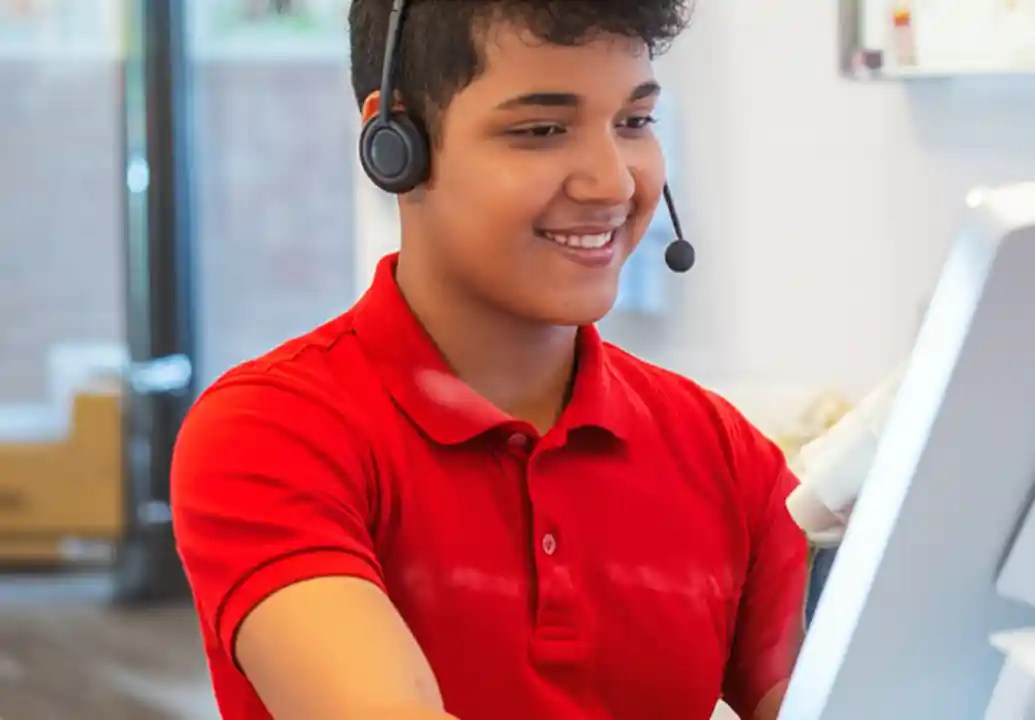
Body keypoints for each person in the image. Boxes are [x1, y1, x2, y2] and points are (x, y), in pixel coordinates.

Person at [170, 1, 807, 719]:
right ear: (397, 142)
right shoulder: (272, 434)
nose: (614, 184)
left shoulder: (723, 454)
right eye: (542, 130)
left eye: (634, 123)